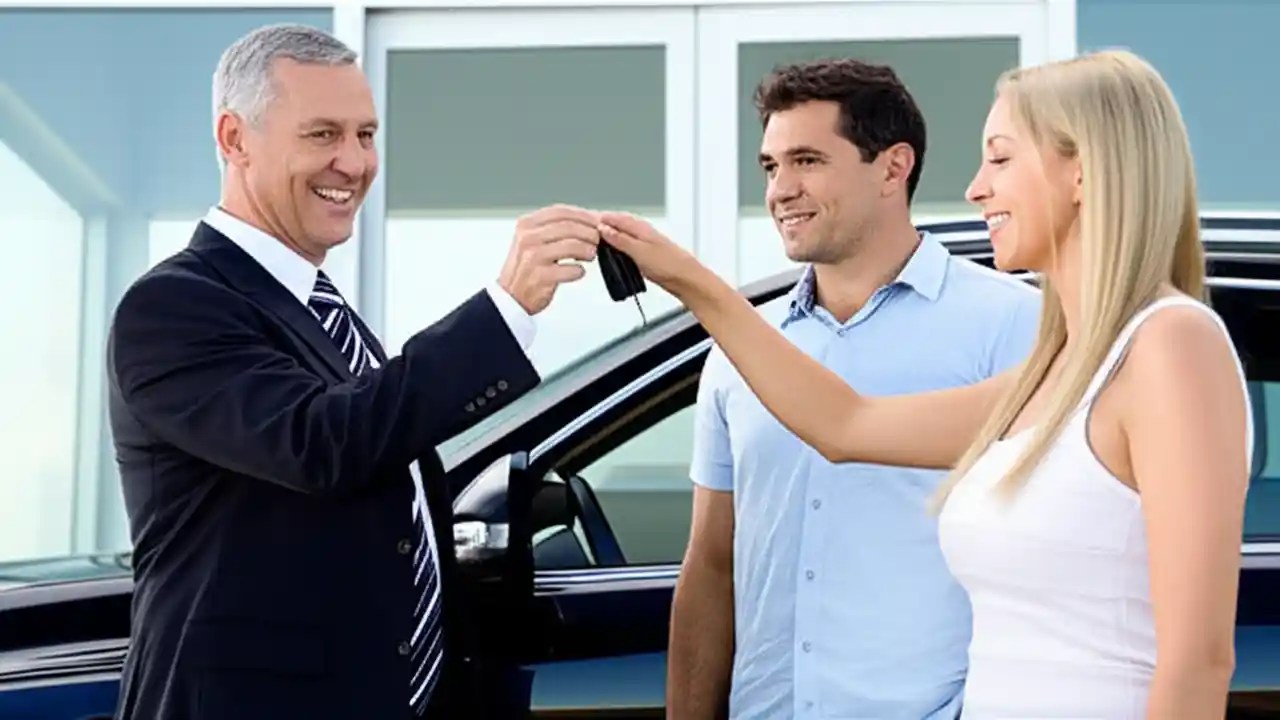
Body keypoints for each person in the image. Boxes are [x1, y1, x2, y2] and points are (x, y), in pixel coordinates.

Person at [601, 49, 1251, 719]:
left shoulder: (1171, 345)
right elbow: (844, 426)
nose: (974, 188)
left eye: (1000, 158)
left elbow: (1197, 662)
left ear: (1082, 170)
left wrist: (693, 283)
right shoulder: (1055, 373)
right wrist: (687, 280)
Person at [107, 24, 599, 720]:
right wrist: (505, 309)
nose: (354, 163)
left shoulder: (321, 312)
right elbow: (328, 444)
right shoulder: (174, 308)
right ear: (233, 138)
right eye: (322, 135)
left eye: (365, 136)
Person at [665, 58, 1040, 719]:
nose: (780, 188)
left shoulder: (1013, 326)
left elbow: (1041, 570)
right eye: (770, 166)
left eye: (807, 160)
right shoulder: (740, 350)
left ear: (894, 168)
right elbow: (713, 565)